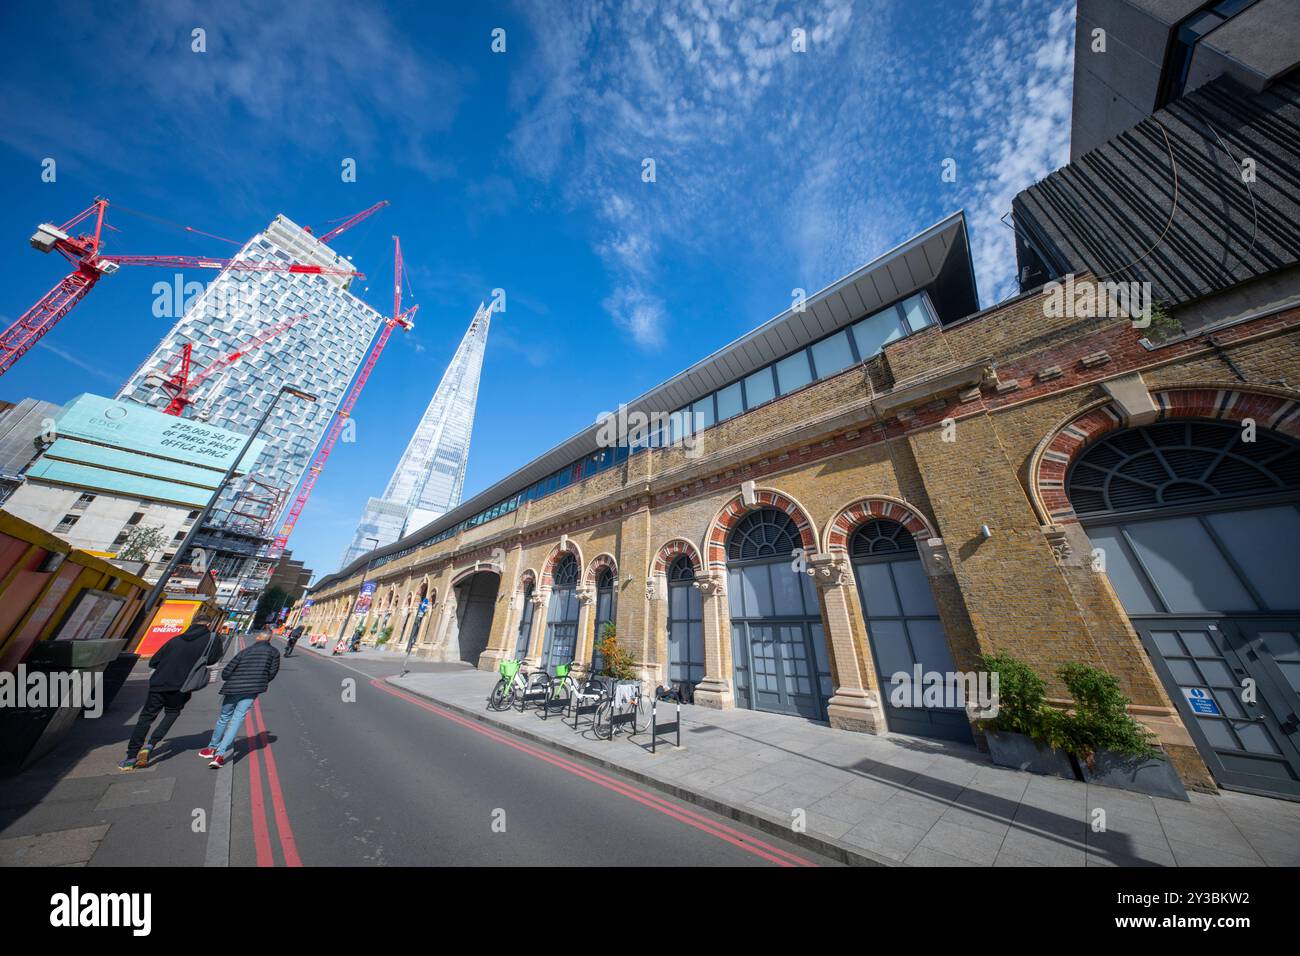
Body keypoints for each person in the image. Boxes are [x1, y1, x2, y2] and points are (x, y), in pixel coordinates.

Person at [119, 611, 223, 771]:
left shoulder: (175, 640)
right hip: (182, 686)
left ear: (192, 623)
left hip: (159, 683)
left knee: (146, 718)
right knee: (172, 713)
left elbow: (153, 662)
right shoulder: (211, 639)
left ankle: (131, 756)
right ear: (208, 625)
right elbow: (213, 659)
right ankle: (151, 744)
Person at [200, 629, 281, 769]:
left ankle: (211, 748)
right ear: (270, 639)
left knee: (224, 717)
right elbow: (272, 673)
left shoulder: (245, 651)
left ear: (258, 638)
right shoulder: (274, 653)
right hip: (252, 690)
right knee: (237, 720)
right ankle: (220, 755)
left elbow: (226, 672)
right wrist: (260, 681)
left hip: (233, 688)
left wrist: (230, 677)